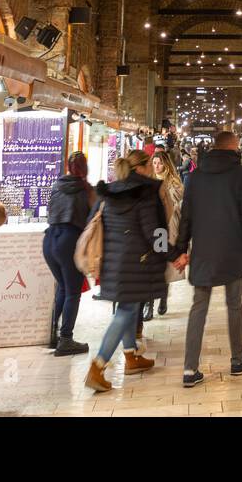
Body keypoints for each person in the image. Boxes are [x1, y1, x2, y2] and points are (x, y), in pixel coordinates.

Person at [171, 130, 242, 387]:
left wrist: (182, 249)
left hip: (203, 252)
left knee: (199, 306)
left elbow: (186, 215)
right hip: (231, 250)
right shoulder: (241, 175)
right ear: (234, 148)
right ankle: (238, 360)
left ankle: (190, 369)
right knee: (234, 305)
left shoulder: (196, 176)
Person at [83, 150, 168, 393]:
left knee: (128, 308)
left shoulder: (109, 192)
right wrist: (170, 253)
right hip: (136, 263)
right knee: (126, 311)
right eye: (149, 164)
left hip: (114, 263)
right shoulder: (144, 194)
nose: (152, 168)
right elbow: (155, 232)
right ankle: (98, 366)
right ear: (140, 168)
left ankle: (131, 356)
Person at [43, 151, 92, 356]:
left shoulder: (56, 185)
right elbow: (92, 218)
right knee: (72, 291)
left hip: (49, 239)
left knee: (62, 287)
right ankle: (66, 339)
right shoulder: (86, 189)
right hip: (69, 240)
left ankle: (53, 334)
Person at [146, 149, 185, 319]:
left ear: (166, 164)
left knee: (164, 265)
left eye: (160, 163)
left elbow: (180, 202)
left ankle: (161, 298)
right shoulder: (148, 181)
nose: (157, 166)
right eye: (154, 163)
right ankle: (149, 303)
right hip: (152, 227)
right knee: (151, 265)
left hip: (167, 228)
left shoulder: (174, 182)